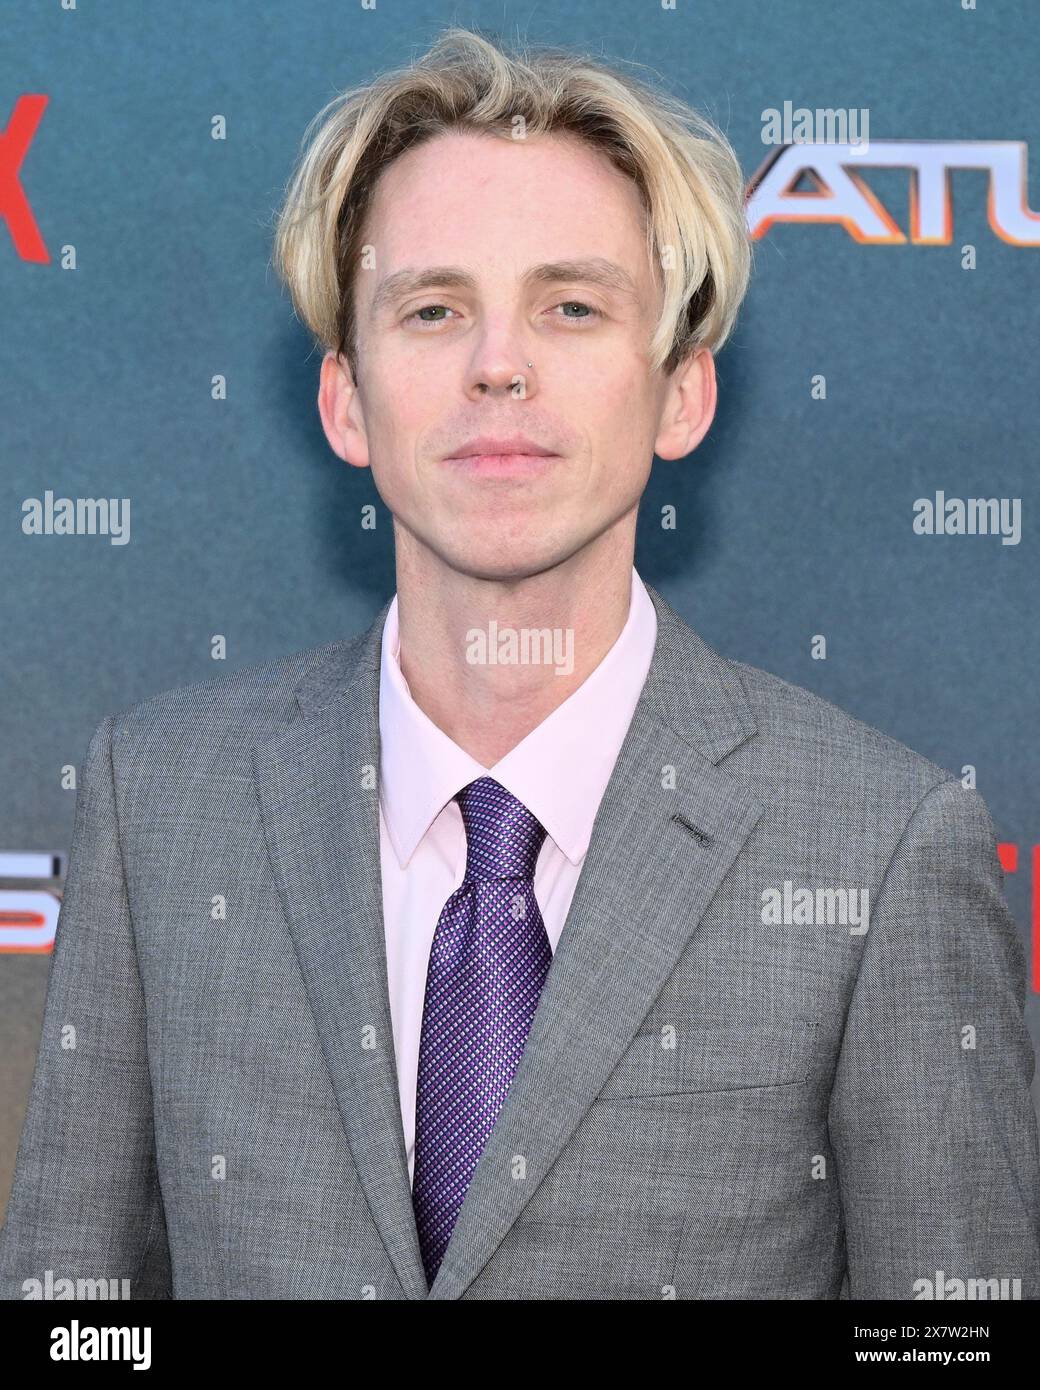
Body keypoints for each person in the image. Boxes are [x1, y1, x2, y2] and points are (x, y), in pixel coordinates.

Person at [2, 26, 1037, 1301]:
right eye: (433, 309)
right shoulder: (157, 804)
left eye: (571, 306)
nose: (499, 364)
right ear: (344, 400)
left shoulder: (880, 850)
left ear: (679, 395)